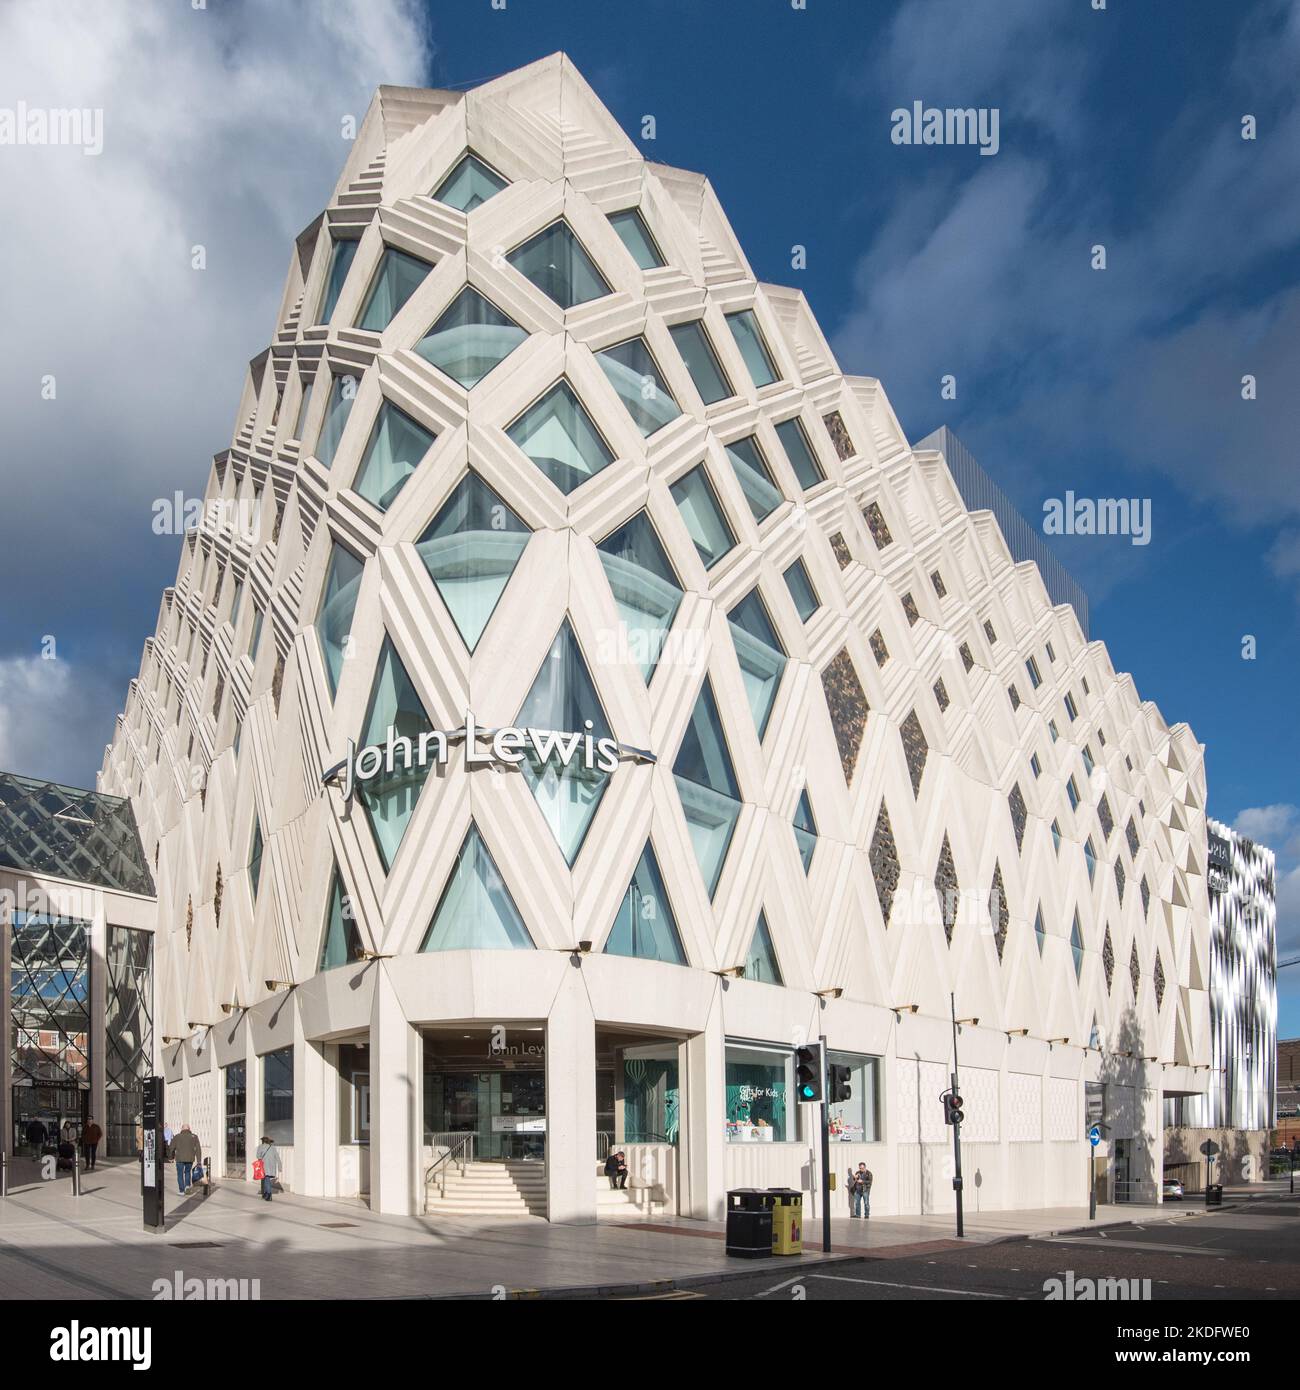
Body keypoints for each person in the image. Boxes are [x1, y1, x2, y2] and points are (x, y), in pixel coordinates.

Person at [172, 1124, 202, 1194]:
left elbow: (171, 1148)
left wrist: (171, 1157)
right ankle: (187, 1187)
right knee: (187, 1172)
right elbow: (198, 1149)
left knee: (180, 1174)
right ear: (189, 1129)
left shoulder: (177, 1136)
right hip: (190, 1159)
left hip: (179, 1159)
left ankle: (182, 1191)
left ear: (181, 1129)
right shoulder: (194, 1137)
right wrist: (199, 1161)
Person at [254, 1136, 280, 1201]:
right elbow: (277, 1157)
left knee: (266, 1179)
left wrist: (261, 1158)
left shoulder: (260, 1147)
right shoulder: (273, 1148)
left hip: (264, 1166)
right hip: (272, 1166)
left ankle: (269, 1194)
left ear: (263, 1141)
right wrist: (280, 1166)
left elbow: (258, 1156)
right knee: (266, 1179)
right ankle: (266, 1193)